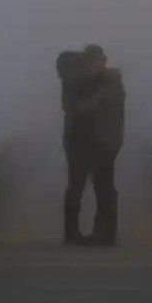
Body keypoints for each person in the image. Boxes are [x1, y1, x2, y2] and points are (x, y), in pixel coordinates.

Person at [56, 44, 125, 246]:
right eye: (96, 63)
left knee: (104, 189)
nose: (99, 66)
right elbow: (77, 108)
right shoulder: (73, 82)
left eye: (101, 63)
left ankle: (105, 233)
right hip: (78, 142)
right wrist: (101, 94)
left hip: (102, 142)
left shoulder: (109, 81)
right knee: (76, 188)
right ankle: (72, 233)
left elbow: (117, 107)